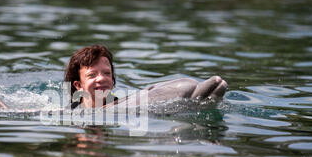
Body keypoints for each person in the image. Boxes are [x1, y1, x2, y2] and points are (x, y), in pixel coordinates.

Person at [64, 44, 228, 109]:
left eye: (107, 73)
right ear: (78, 85)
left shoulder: (126, 103)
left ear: (113, 81)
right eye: (92, 75)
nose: (102, 78)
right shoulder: (70, 113)